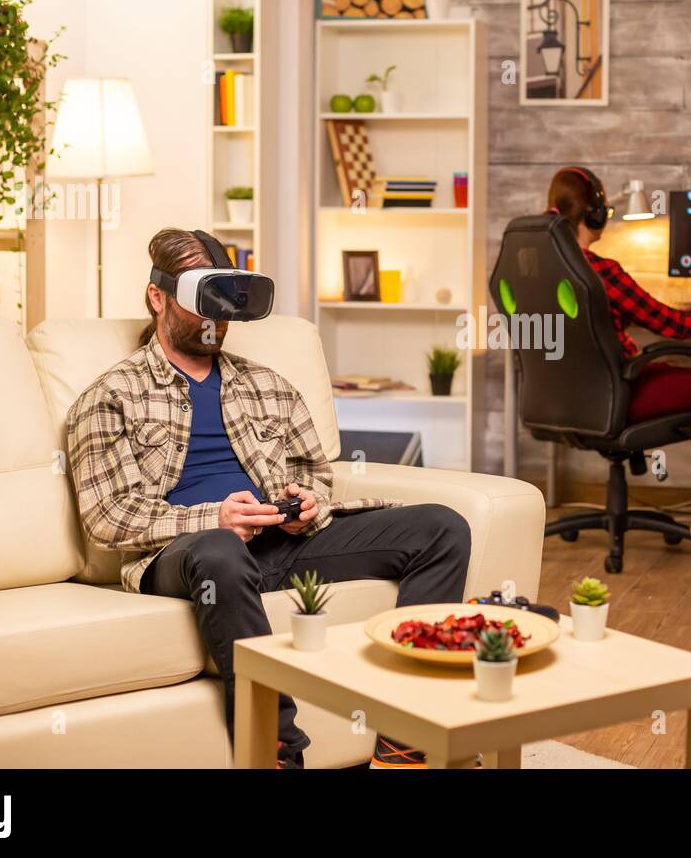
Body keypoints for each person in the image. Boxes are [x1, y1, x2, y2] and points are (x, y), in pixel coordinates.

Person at [66, 228, 471, 768]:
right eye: (199, 301)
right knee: (219, 549)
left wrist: (307, 504)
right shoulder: (110, 395)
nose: (215, 319)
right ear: (157, 297)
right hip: (189, 557)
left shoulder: (270, 386)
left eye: (224, 302)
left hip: (283, 546)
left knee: (443, 528)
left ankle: (407, 743)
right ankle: (279, 754)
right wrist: (216, 517)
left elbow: (316, 474)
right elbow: (107, 517)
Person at [548, 167, 691, 563]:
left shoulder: (541, 270)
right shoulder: (601, 272)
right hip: (620, 398)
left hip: (565, 403)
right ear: (596, 215)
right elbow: (674, 323)